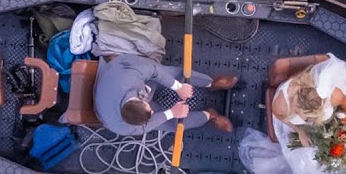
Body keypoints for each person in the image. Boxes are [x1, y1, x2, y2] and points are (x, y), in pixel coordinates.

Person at [93, 54, 238, 136]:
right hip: (110, 102)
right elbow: (147, 125)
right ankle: (209, 116)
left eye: (149, 109)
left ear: (138, 100)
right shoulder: (122, 127)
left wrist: (178, 87)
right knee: (173, 125)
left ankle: (210, 83)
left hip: (120, 74)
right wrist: (171, 113)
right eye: (151, 113)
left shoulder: (128, 77)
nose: (153, 111)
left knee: (172, 74)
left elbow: (154, 71)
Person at [270, 61, 346, 146]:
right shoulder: (281, 105)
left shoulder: (332, 96)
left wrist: (345, 118)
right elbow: (279, 115)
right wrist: (299, 130)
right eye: (297, 112)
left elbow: (344, 102)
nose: (303, 118)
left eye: (308, 117)